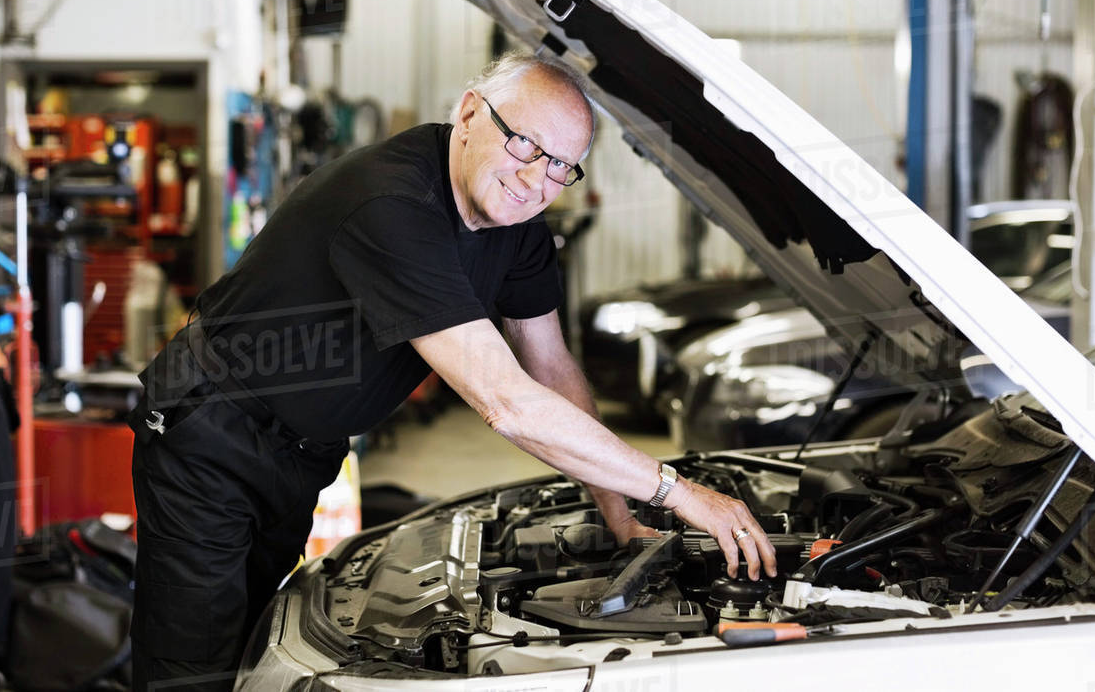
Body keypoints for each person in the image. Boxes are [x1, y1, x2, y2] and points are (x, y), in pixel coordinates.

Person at [127, 51, 776, 690]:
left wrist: (621, 511)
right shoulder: (391, 202)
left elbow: (549, 365)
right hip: (211, 432)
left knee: (250, 643)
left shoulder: (517, 225)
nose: (535, 180)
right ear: (470, 112)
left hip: (301, 454)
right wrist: (678, 490)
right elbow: (507, 400)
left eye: (561, 167)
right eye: (524, 144)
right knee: (192, 667)